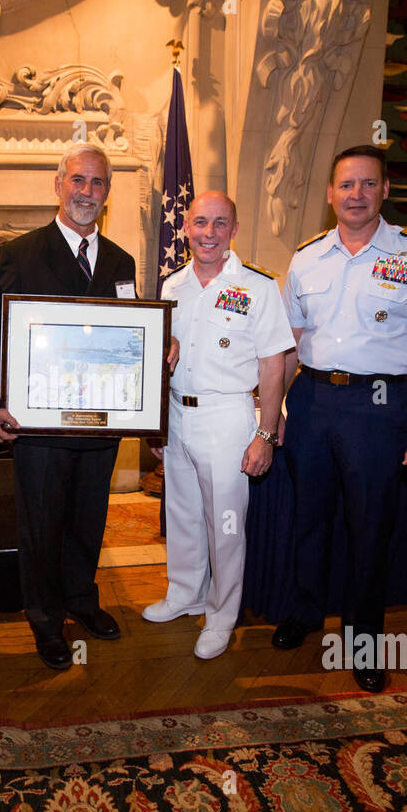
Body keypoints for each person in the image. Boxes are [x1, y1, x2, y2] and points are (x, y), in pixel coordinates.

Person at [272, 144, 407, 692]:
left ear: (384, 190)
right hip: (310, 401)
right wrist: (274, 412)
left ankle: (363, 640)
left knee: (369, 525)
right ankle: (306, 611)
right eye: (346, 185)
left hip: (376, 407)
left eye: (368, 184)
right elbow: (292, 343)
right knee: (308, 516)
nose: (356, 194)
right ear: (330, 194)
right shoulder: (307, 257)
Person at [0, 143, 136, 670]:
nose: (88, 192)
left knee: (89, 520)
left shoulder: (121, 261)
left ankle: (82, 601)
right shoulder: (20, 253)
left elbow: (133, 334)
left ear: (107, 192)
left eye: (98, 183)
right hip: (37, 424)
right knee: (40, 525)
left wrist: (159, 350)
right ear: (58, 185)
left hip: (100, 424)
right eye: (78, 181)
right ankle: (44, 620)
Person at [143, 192, 295, 659]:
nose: (209, 233)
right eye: (200, 223)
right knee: (183, 513)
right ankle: (185, 592)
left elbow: (275, 363)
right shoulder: (173, 285)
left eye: (220, 223)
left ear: (233, 229)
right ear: (186, 228)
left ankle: (222, 614)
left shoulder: (258, 287)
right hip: (177, 410)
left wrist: (266, 433)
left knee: (225, 524)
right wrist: (156, 423)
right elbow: (158, 354)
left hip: (227, 414)